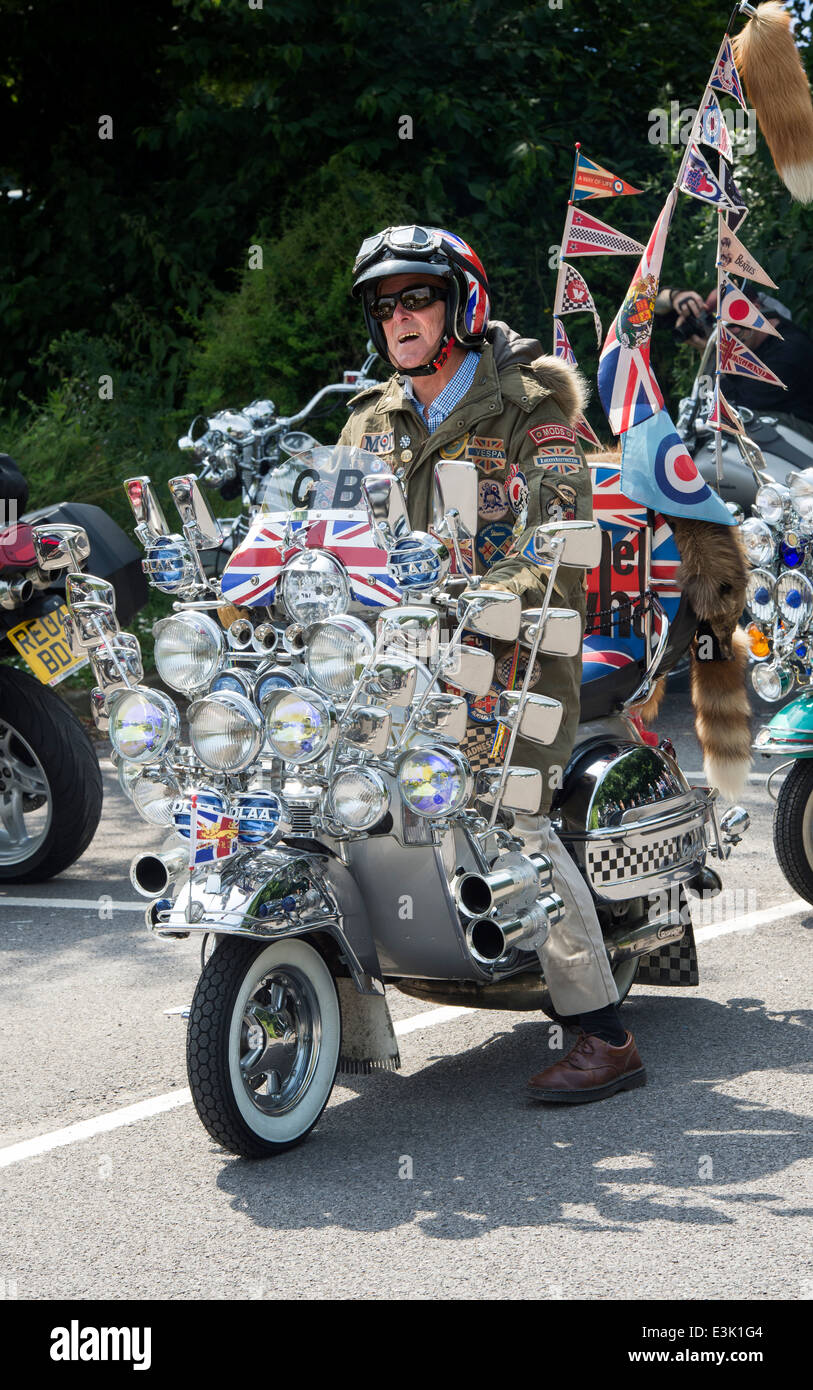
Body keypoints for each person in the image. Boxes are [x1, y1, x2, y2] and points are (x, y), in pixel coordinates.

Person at [339, 224, 646, 1104]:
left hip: (511, 655)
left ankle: (601, 1030)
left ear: (460, 304)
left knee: (510, 818)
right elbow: (337, 534)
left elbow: (558, 546)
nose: (399, 317)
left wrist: (477, 606)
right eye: (383, 304)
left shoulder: (530, 413)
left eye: (417, 297)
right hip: (394, 659)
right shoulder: (371, 420)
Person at [655, 283, 813, 440]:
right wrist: (675, 296)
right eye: (716, 324)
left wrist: (711, 353)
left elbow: (727, 406)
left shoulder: (790, 351)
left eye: (729, 323)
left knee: (725, 426)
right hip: (768, 431)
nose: (722, 333)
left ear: (755, 309)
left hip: (801, 438)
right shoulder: (746, 339)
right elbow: (648, 307)